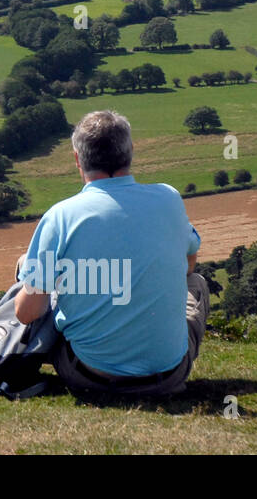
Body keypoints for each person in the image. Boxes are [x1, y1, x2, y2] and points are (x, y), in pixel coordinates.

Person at [13, 110, 209, 396]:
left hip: (88, 375)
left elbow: (27, 312)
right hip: (168, 376)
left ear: (78, 159)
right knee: (197, 283)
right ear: (130, 152)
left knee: (29, 269)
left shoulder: (60, 216)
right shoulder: (169, 198)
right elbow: (189, 262)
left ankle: (12, 356)